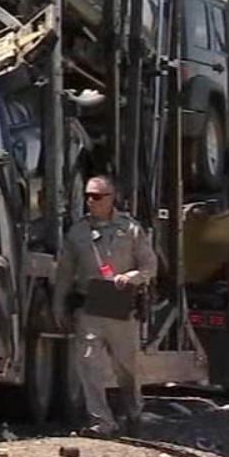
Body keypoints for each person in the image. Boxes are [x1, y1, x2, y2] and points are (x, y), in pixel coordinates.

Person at [53, 174, 158, 438]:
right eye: (88, 196)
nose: (91, 201)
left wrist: (132, 277)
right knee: (89, 364)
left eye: (97, 196)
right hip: (89, 302)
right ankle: (101, 421)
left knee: (127, 367)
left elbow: (150, 265)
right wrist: (59, 304)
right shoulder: (77, 232)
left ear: (112, 198)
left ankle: (133, 411)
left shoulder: (131, 229)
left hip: (119, 302)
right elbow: (65, 272)